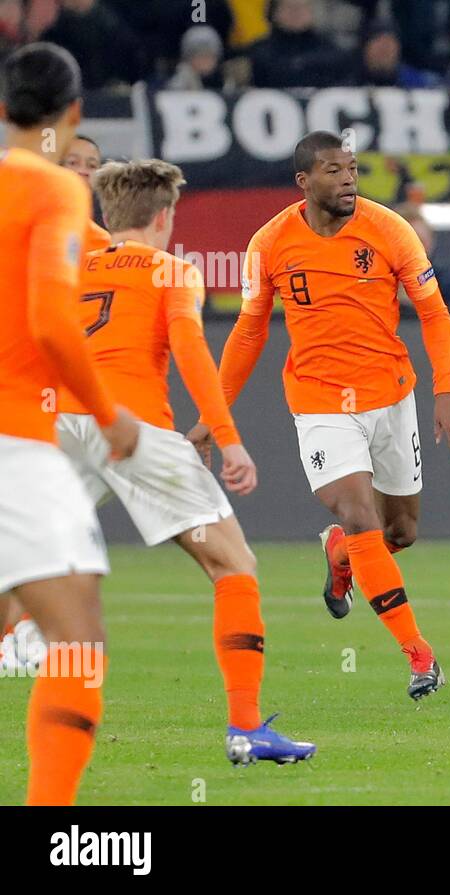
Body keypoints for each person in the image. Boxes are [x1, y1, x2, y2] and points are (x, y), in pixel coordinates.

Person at [202, 131, 450, 701]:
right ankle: (419, 655)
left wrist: (445, 389)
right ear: (304, 182)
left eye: (352, 169)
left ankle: (338, 554)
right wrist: (215, 408)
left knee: (399, 532)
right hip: (320, 401)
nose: (349, 179)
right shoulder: (270, 242)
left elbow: (433, 312)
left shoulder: (389, 229)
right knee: (360, 517)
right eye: (334, 170)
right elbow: (251, 329)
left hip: (391, 396)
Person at [56, 158, 315, 765]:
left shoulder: (73, 269)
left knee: (18, 582)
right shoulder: (172, 270)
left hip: (61, 426)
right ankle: (246, 728)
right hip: (135, 428)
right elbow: (192, 352)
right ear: (166, 215)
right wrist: (227, 436)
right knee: (233, 564)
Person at [0, 41, 140, 805]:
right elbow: (54, 323)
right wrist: (108, 413)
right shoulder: (53, 189)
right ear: (75, 113)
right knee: (77, 636)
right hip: (15, 437)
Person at [246, 0, 353, 89]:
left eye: (302, 7)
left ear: (313, 12)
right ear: (275, 13)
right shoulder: (257, 53)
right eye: (289, 8)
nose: (296, 13)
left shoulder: (334, 53)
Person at [166, 25, 225, 91]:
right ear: (188, 58)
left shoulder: (224, 79)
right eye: (199, 56)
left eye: (208, 56)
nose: (204, 62)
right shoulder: (181, 81)